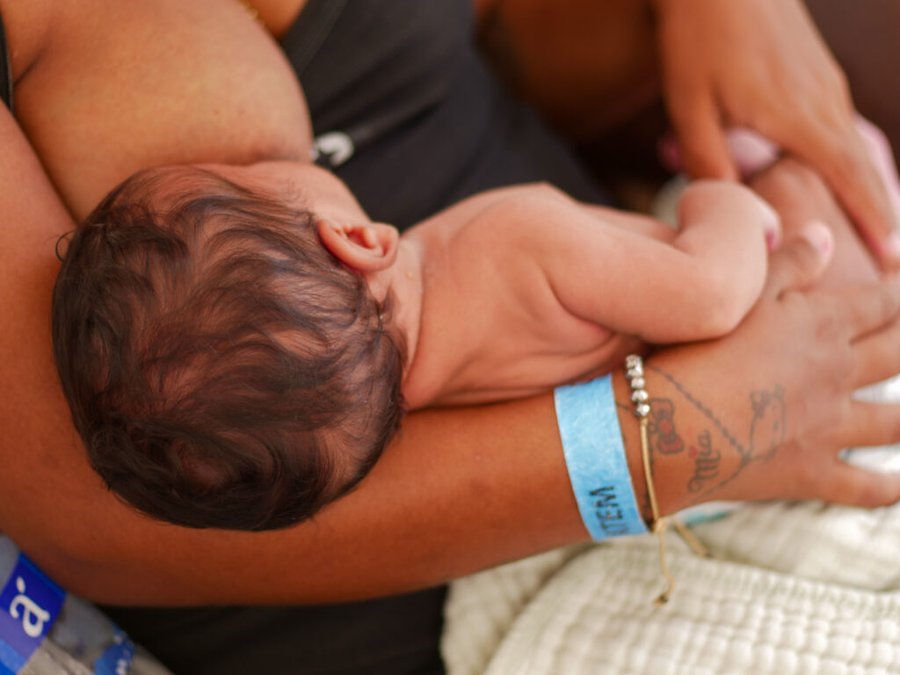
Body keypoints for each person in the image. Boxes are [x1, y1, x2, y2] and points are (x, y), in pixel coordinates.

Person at [3, 0, 900, 673]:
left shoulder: (386, 390)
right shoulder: (508, 250)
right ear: (360, 238)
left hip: (673, 397)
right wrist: (731, 220)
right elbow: (87, 512)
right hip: (666, 418)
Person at [52, 161, 785, 531]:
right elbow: (713, 293)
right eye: (247, 172)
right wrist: (721, 195)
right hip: (748, 322)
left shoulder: (402, 401)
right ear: (358, 242)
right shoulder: (515, 247)